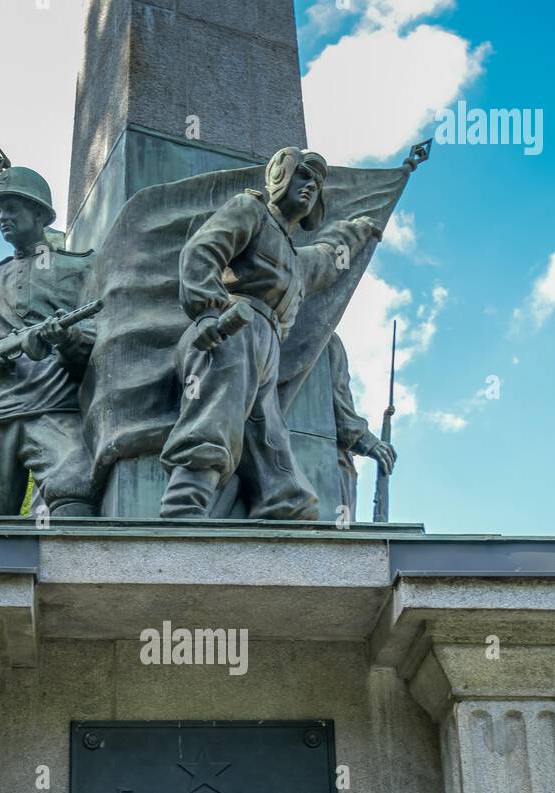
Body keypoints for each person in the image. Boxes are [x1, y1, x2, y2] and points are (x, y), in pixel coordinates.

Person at [159, 146, 381, 520]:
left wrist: (358, 231)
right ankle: (182, 510)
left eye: (317, 182)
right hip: (232, 328)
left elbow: (327, 259)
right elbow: (202, 250)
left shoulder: (295, 258)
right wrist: (207, 312)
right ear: (280, 175)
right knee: (214, 420)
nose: (310, 186)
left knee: (270, 447)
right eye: (303, 175)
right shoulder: (250, 211)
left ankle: (283, 506)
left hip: (265, 348)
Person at [0, 159, 98, 520]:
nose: (2, 219)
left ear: (40, 213)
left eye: (11, 208)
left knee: (77, 496)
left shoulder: (83, 268)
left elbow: (103, 342)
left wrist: (69, 338)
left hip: (57, 407)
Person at [328, 335, 397, 522]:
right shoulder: (324, 338)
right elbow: (340, 404)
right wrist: (367, 441)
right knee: (338, 533)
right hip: (323, 464)